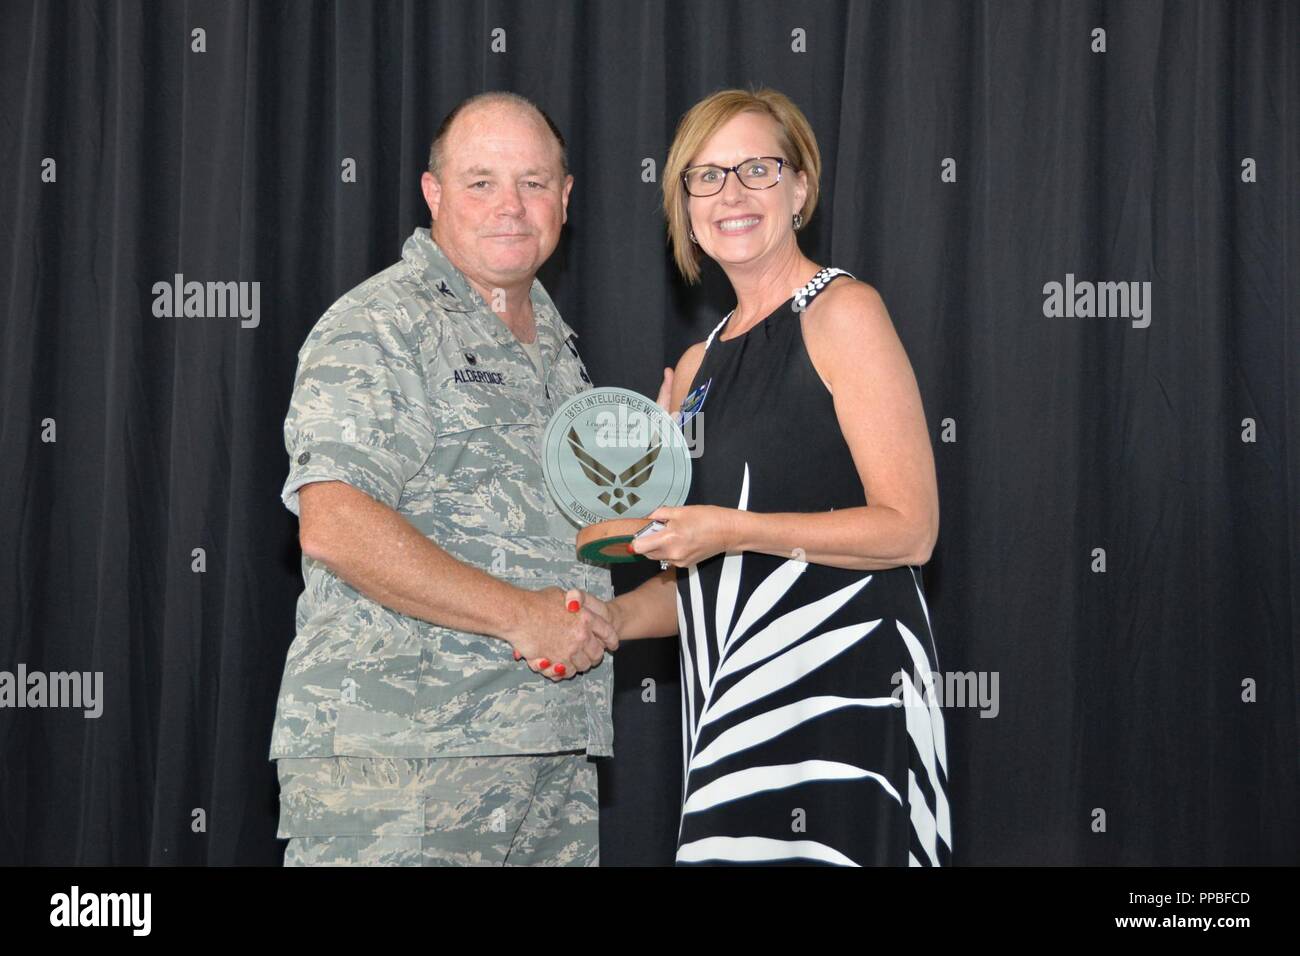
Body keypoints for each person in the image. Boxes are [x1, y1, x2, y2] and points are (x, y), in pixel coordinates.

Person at [268, 91, 619, 866]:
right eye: (480, 181)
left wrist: (646, 473)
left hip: (547, 757)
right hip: (402, 767)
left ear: (564, 198)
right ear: (434, 194)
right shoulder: (381, 323)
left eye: (533, 182)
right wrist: (519, 616)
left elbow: (567, 551)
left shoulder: (562, 355)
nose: (511, 207)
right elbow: (335, 522)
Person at [607, 88, 953, 866]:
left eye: (756, 169)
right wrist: (609, 620)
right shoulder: (699, 365)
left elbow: (912, 528)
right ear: (683, 203)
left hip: (845, 695)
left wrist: (733, 525)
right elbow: (714, 576)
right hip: (734, 707)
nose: (730, 193)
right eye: (706, 175)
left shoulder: (842, 311)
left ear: (800, 188)